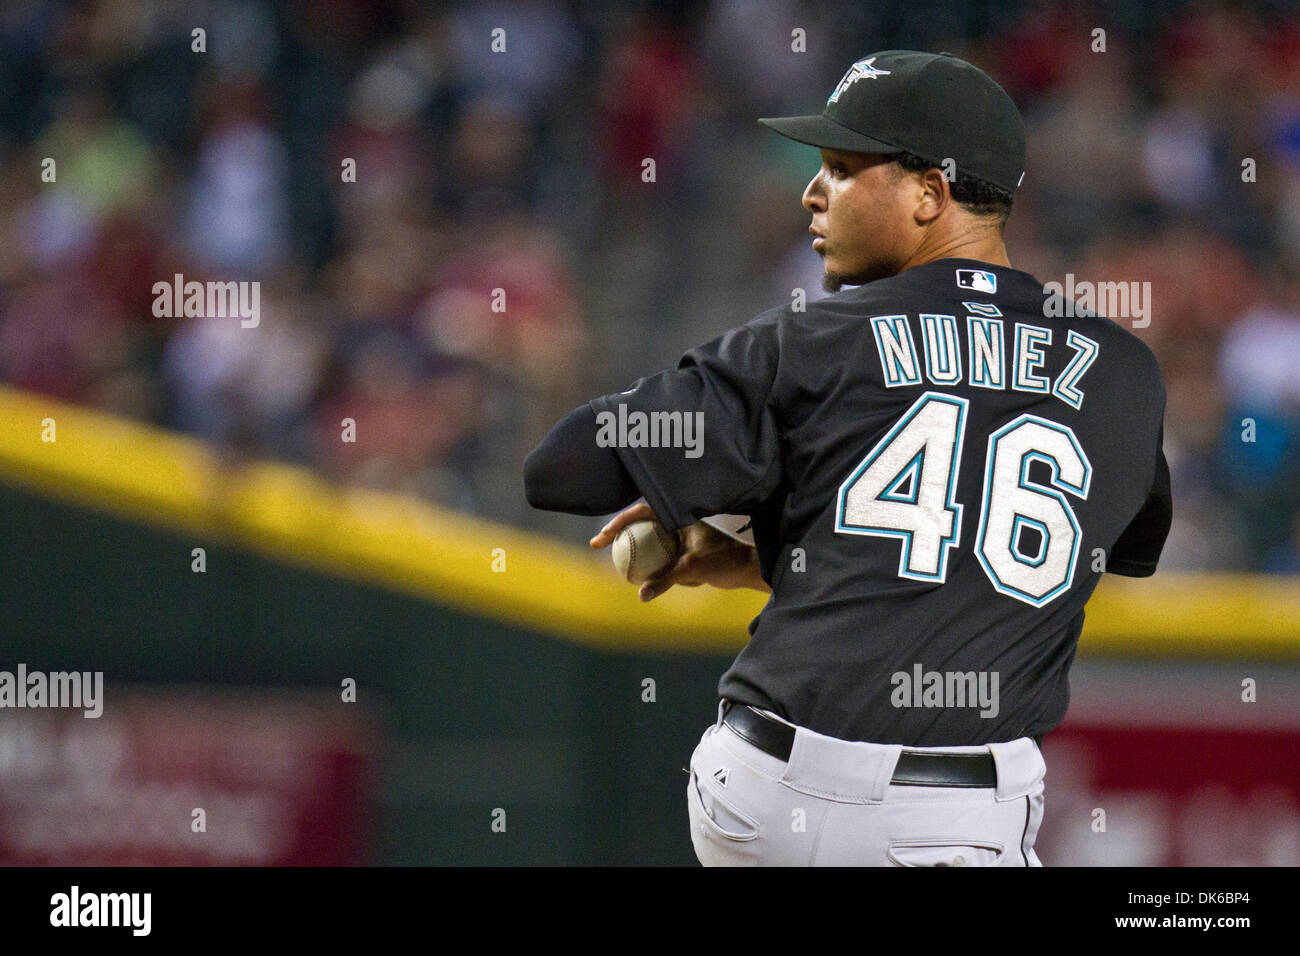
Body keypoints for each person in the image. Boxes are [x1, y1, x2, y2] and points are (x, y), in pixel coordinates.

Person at [523, 50, 1170, 866]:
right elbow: (1028, 560)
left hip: (758, 794)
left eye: (839, 167)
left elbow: (561, 468)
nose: (811, 192)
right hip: (953, 818)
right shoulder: (1121, 372)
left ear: (930, 193)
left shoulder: (814, 340)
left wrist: (763, 547)